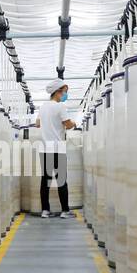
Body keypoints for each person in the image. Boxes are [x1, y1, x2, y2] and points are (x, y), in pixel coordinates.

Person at [34, 78, 77, 218]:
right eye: (64, 92)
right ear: (58, 92)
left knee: (45, 180)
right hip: (58, 148)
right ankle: (65, 211)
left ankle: (45, 210)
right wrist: (74, 123)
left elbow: (37, 124)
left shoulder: (43, 107)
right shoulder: (60, 107)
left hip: (45, 148)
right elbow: (68, 124)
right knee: (61, 180)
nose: (65, 95)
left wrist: (49, 125)